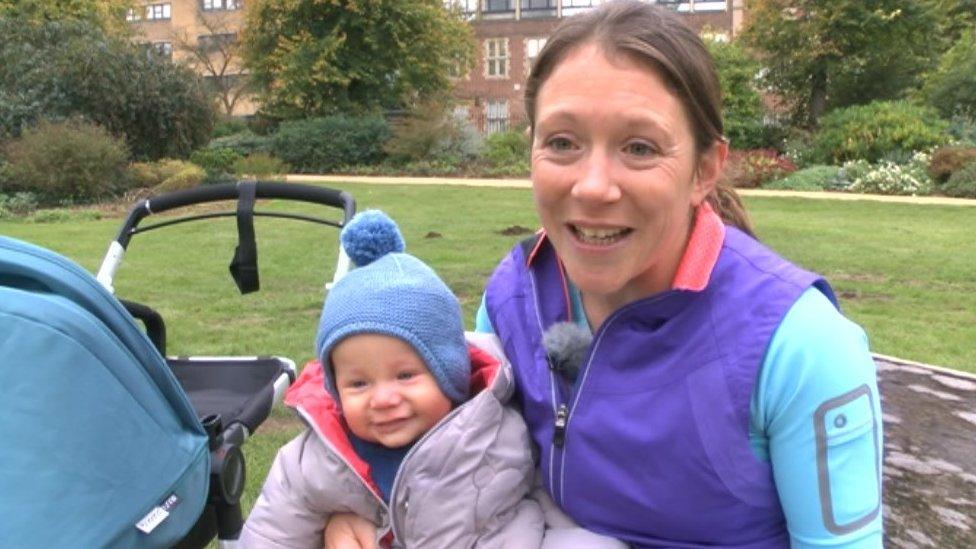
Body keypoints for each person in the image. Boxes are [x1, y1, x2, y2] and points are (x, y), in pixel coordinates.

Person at [471, 1, 884, 547]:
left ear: (704, 170)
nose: (593, 186)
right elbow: (443, 457)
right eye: (562, 143)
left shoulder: (801, 345)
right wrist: (345, 509)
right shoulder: (514, 296)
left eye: (639, 148)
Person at [241, 211, 624, 549]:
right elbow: (271, 534)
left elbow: (553, 498)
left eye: (406, 375)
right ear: (334, 389)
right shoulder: (313, 462)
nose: (384, 398)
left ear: (450, 373)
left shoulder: (497, 427)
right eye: (358, 384)